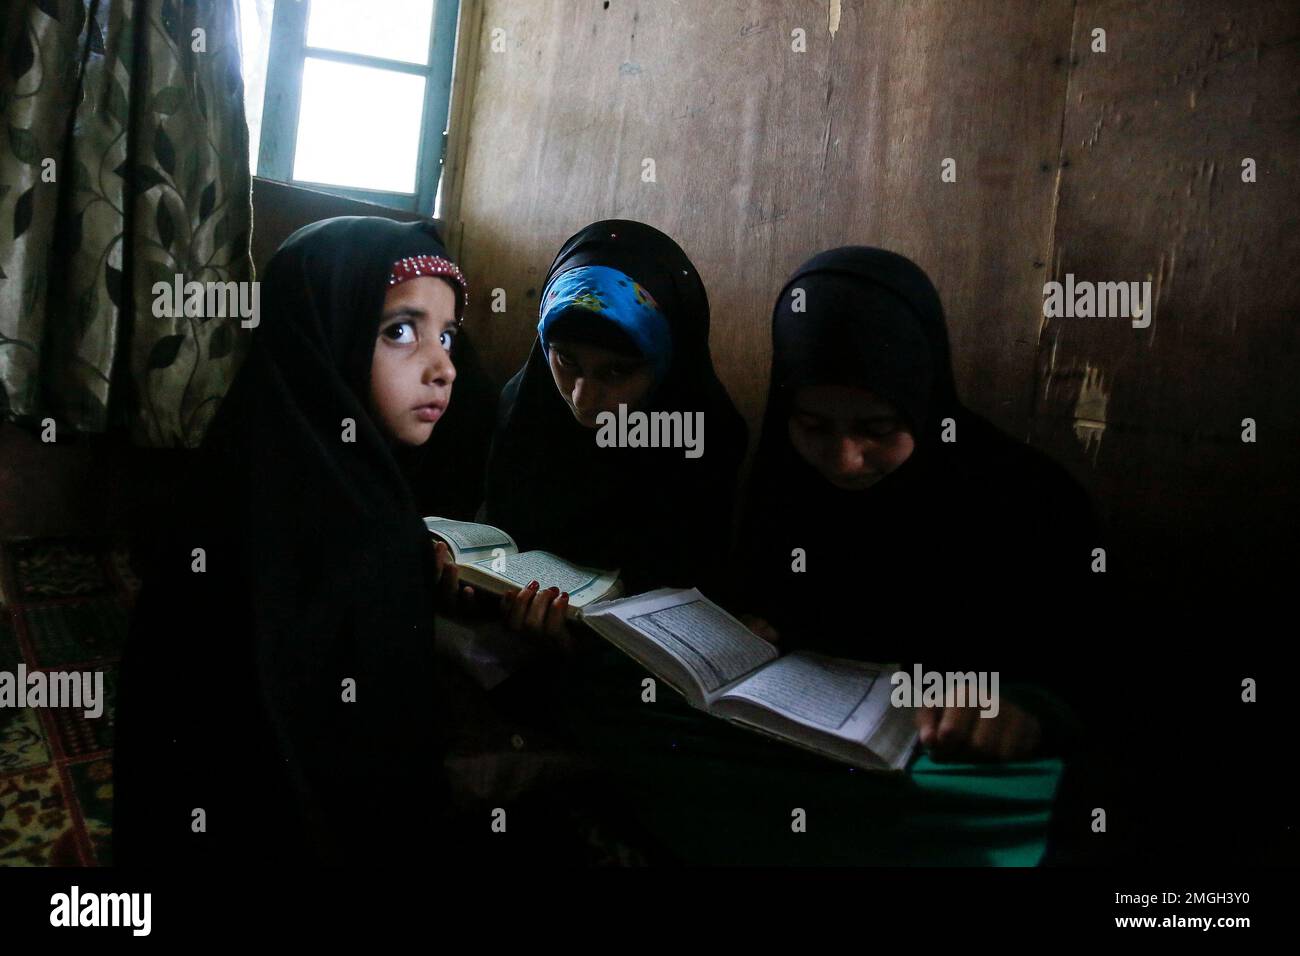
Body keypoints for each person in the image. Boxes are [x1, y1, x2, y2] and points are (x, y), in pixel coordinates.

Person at [113, 216, 469, 866]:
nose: (442, 365)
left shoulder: (248, 465)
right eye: (400, 331)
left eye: (446, 335)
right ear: (320, 336)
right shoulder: (356, 531)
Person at [482, 220, 747, 630]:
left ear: (666, 365)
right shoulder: (525, 407)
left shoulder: (700, 437)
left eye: (616, 372)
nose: (582, 398)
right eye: (566, 362)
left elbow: (690, 595)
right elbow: (497, 536)